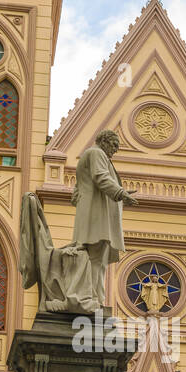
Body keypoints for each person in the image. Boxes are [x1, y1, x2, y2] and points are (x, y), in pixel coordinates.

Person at [70, 129, 138, 307]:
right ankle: (94, 300)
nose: (115, 150)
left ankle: (93, 298)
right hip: (97, 215)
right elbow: (101, 177)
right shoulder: (96, 153)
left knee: (95, 260)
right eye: (114, 145)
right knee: (96, 260)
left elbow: (77, 192)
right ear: (104, 141)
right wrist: (120, 193)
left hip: (94, 214)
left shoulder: (91, 155)